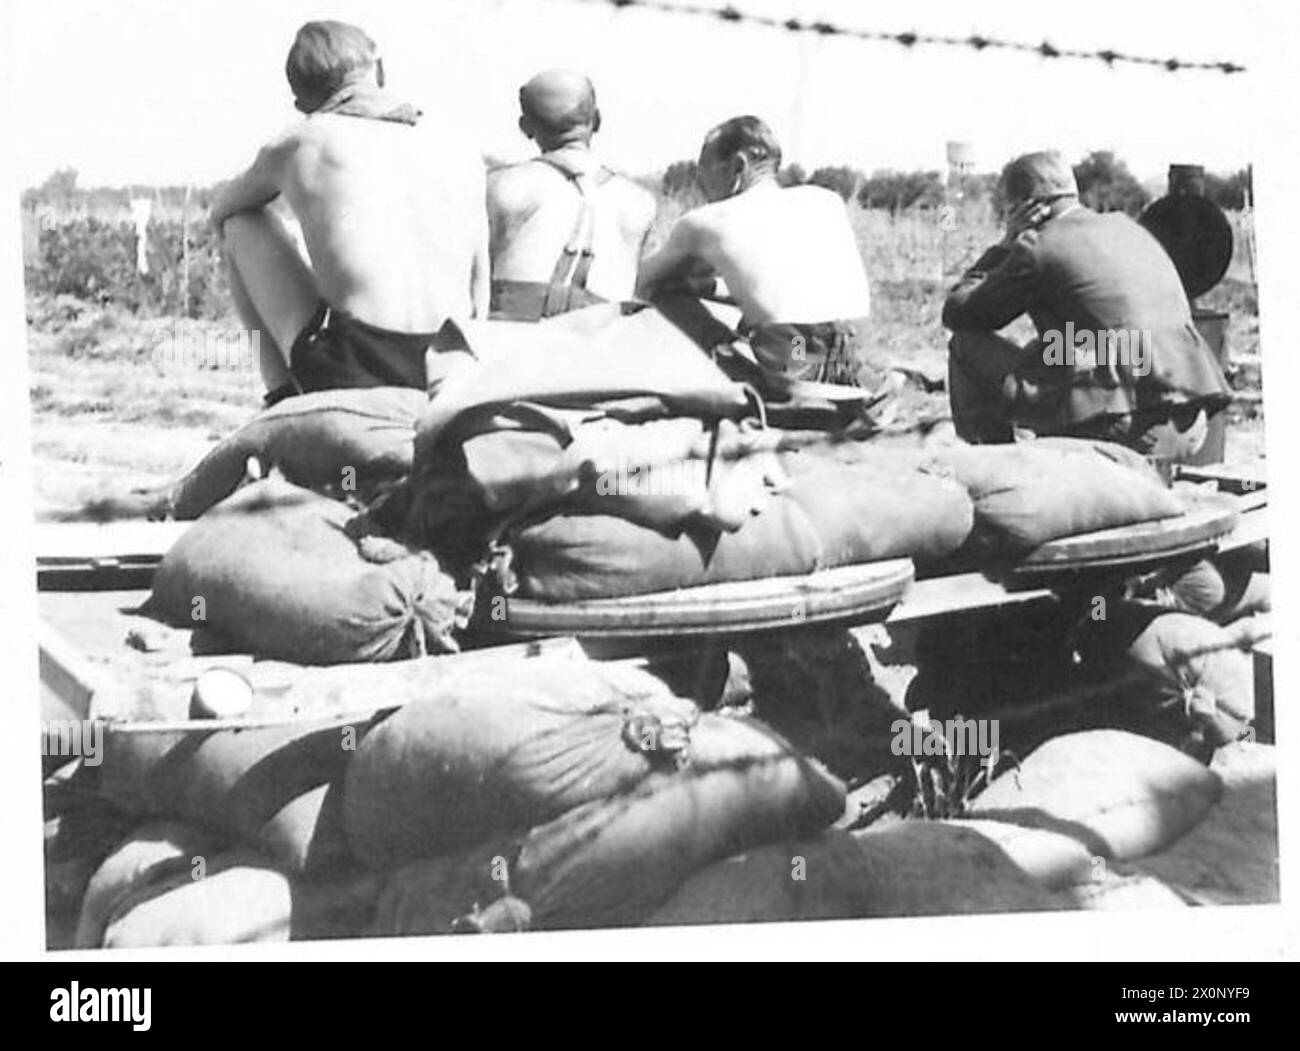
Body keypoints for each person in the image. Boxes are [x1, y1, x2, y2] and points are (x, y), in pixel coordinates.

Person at [210, 20, 489, 404]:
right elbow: (480, 283)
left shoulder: (300, 140)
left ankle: (281, 396)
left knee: (239, 225)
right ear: (380, 69)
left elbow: (221, 211)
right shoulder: (458, 146)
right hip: (453, 361)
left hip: (358, 363)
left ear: (302, 103)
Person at [943, 150, 1231, 455]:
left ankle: (998, 468)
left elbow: (960, 313)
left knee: (966, 346)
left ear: (1024, 207)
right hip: (1192, 424)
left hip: (1126, 430)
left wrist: (1005, 243)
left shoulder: (1038, 245)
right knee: (1054, 349)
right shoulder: (1130, 230)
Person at [635, 116, 874, 390]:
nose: (700, 181)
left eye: (704, 169)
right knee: (795, 337)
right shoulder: (826, 200)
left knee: (667, 297)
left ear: (738, 166)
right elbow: (789, 291)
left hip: (799, 357)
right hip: (862, 356)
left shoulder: (707, 220)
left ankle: (735, 371)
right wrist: (707, 287)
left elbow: (642, 282)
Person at [485, 70, 656, 321]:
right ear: (597, 120)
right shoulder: (640, 202)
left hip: (512, 343)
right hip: (603, 347)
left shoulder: (501, 185)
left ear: (525, 127)